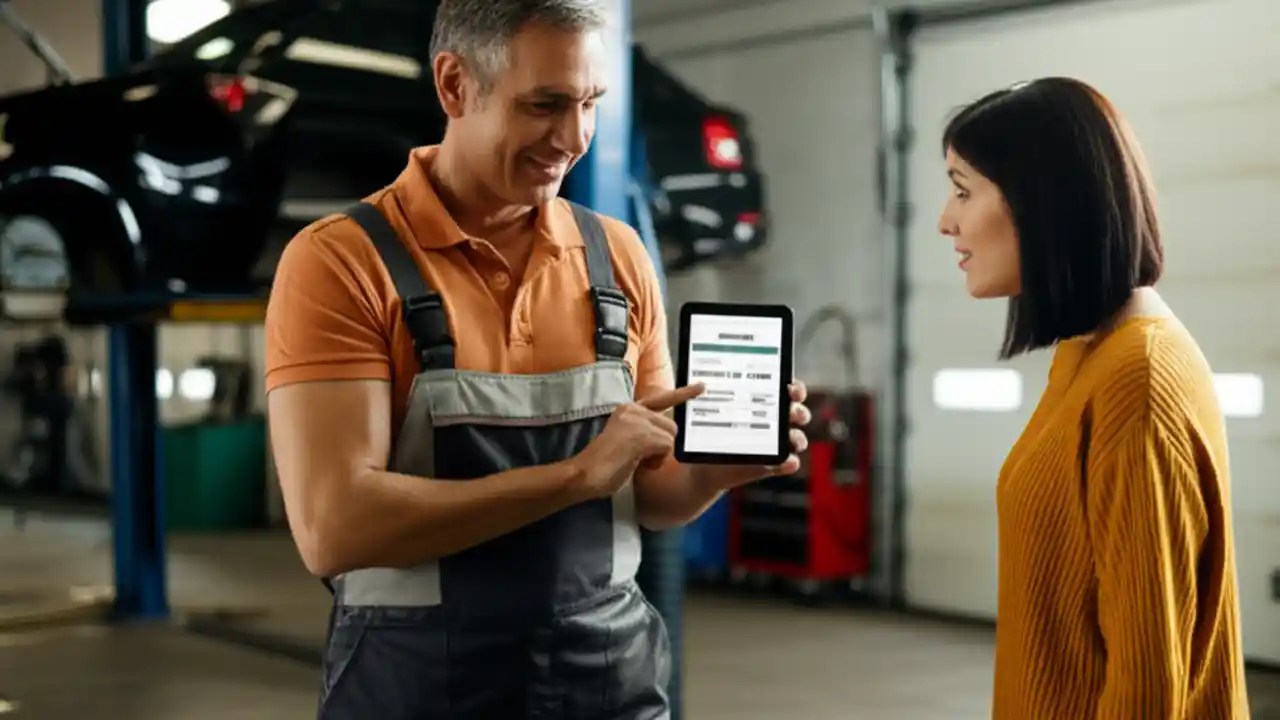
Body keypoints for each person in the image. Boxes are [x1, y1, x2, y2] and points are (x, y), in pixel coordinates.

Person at [263, 1, 811, 718]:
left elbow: (649, 491)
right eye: (545, 104)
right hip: (418, 692)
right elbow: (336, 527)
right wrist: (574, 477)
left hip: (608, 686)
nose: (574, 136)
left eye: (590, 103)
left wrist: (710, 471)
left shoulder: (616, 257)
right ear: (455, 86)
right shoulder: (342, 263)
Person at [936, 76, 1251, 719]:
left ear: (1043, 201)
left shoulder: (1139, 382)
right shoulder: (1089, 353)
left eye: (964, 191)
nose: (947, 220)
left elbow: (1146, 690)